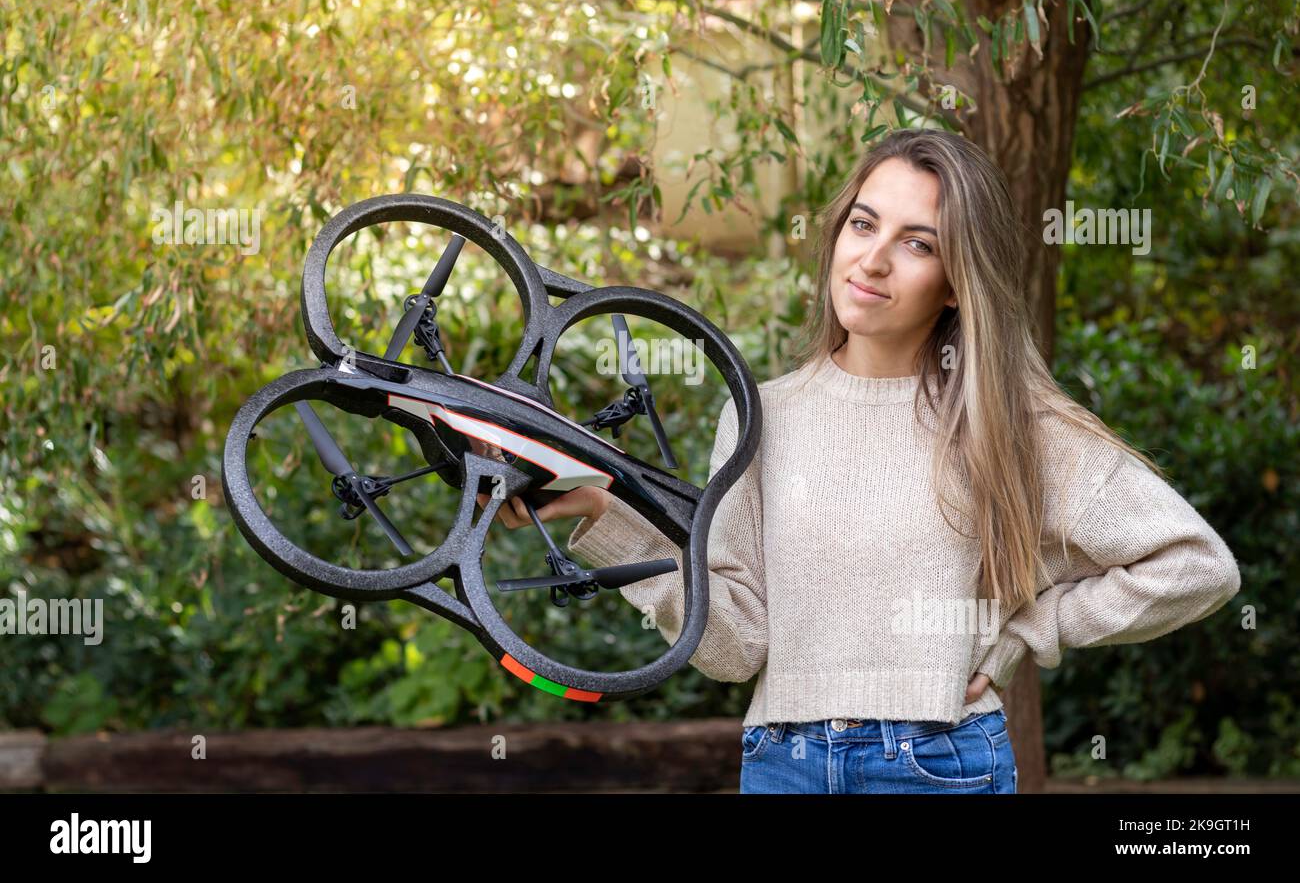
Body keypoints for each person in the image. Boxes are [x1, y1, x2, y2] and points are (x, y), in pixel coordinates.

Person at [479, 128, 1241, 794]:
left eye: (918, 243)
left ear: (954, 283)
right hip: (780, 763)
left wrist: (1029, 631)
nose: (872, 260)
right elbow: (736, 645)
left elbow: (1196, 565)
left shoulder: (1009, 423)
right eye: (862, 224)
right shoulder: (761, 416)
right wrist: (604, 515)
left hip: (940, 765)